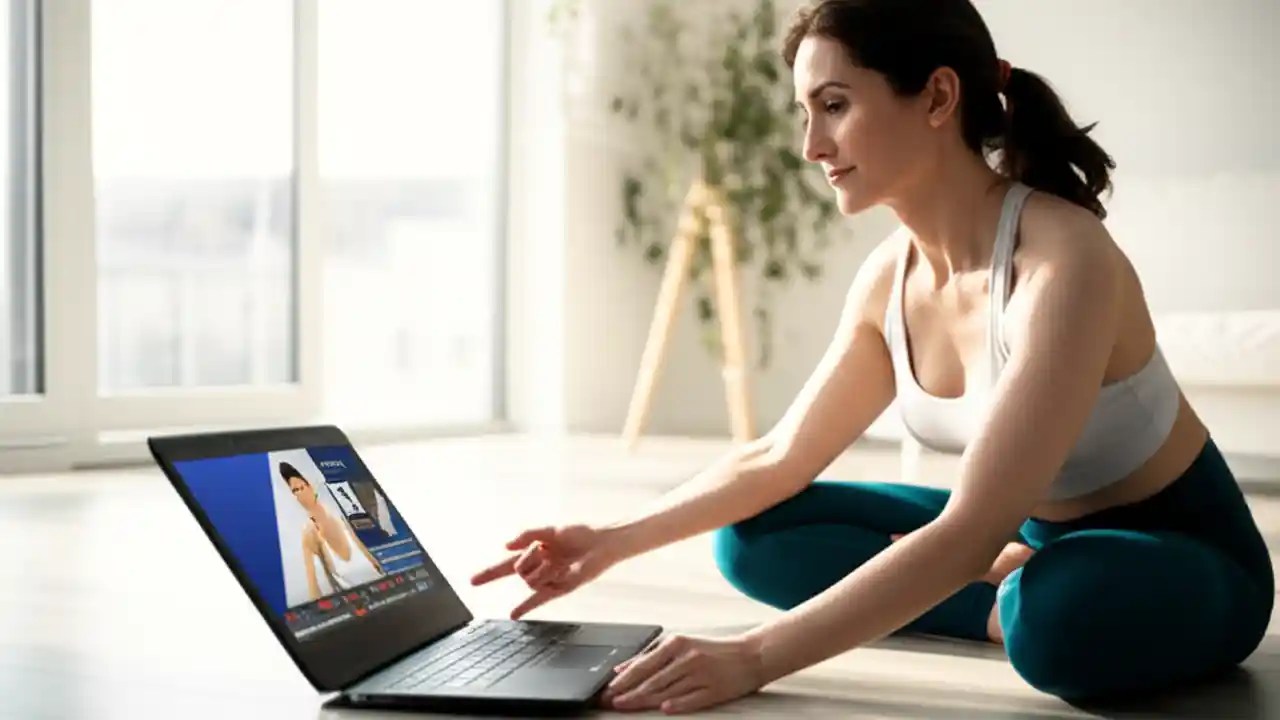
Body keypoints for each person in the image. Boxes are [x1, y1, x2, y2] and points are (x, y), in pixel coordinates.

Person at [472, 0, 1273, 713]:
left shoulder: (1063, 265)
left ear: (936, 97)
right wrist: (610, 540)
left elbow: (966, 529)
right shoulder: (889, 276)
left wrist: (753, 656)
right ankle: (1008, 586)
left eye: (834, 106)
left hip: (1179, 554)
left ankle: (1013, 589)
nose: (810, 144)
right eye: (804, 112)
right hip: (1015, 532)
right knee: (755, 535)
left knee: (1058, 626)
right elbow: (780, 456)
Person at [279, 461, 385, 600]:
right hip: (354, 593)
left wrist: (376, 563)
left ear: (310, 486)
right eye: (295, 490)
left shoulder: (335, 514)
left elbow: (357, 543)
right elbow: (313, 581)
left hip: (374, 578)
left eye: (302, 486)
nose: (301, 492)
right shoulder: (309, 531)